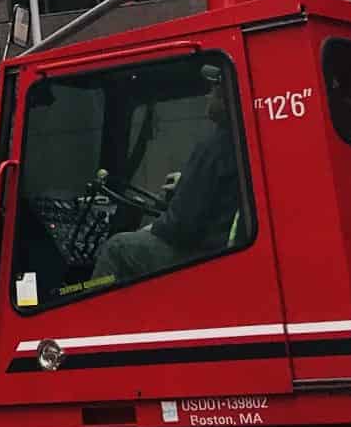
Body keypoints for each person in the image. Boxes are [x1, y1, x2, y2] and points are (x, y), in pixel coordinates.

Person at [96, 72, 244, 285]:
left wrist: (153, 228)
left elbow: (180, 227)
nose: (207, 97)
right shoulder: (237, 142)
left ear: (226, 99)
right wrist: (185, 183)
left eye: (213, 92)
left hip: (202, 253)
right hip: (217, 247)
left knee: (117, 247)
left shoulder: (214, 147)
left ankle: (94, 314)